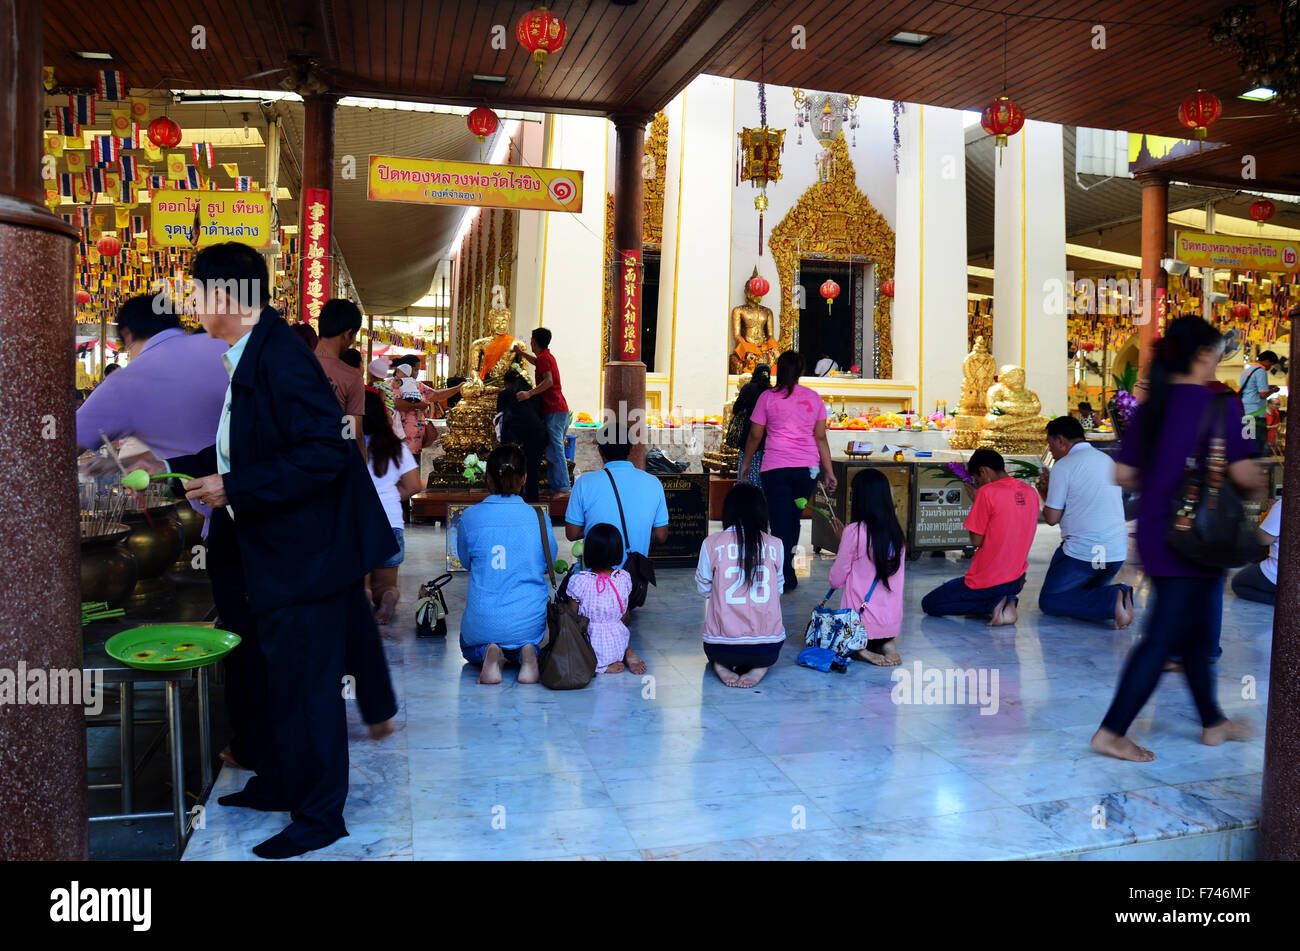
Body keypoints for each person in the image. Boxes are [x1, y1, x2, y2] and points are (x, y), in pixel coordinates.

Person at [126, 242, 397, 858]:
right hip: (279, 554)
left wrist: (236, 487)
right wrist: (161, 461)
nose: (189, 303)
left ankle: (321, 815)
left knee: (309, 687)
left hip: (307, 557)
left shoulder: (282, 360)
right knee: (282, 681)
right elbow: (240, 450)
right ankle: (280, 782)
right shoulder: (252, 355)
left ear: (226, 297)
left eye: (195, 292)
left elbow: (325, 452)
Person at [1092, 316, 1263, 763]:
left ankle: (1213, 722)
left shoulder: (1153, 406)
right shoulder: (1221, 404)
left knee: (1193, 631)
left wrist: (1169, 474)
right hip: (1200, 536)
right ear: (1203, 355)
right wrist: (1256, 478)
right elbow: (1243, 473)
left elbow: (1123, 473)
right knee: (1163, 636)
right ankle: (1112, 732)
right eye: (1217, 355)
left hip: (1157, 531)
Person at [76, 293, 228, 458]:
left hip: (187, 481)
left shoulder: (125, 382)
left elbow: (66, 441)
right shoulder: (228, 345)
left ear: (128, 335)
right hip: (249, 477)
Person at [457, 444, 557, 685]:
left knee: (467, 647)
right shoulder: (539, 517)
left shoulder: (470, 516)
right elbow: (549, 562)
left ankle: (489, 652)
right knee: (525, 638)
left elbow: (464, 561)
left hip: (483, 620)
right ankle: (527, 653)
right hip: (529, 621)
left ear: (488, 478)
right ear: (524, 478)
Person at [743, 350, 838, 590]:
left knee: (778, 519)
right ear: (802, 371)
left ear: (779, 370)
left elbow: (755, 435)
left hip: (775, 468)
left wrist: (745, 463)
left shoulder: (768, 397)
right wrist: (829, 471)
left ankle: (781, 571)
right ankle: (787, 570)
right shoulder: (814, 398)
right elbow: (820, 438)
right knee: (794, 519)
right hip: (806, 471)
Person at [921, 448, 1039, 626]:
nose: (978, 483)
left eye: (977, 479)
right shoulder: (1030, 492)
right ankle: (1007, 599)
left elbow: (976, 540)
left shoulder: (987, 492)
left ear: (983, 471)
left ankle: (993, 605)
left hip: (989, 579)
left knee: (930, 604)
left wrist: (978, 502)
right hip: (1016, 578)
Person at [1036, 415, 1134, 628]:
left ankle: (1112, 599)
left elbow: (1052, 518)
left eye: (1051, 444)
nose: (1051, 451)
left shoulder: (1064, 466)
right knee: (1082, 593)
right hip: (1115, 554)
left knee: (1050, 600)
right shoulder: (1106, 460)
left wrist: (1043, 490)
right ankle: (1115, 596)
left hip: (1086, 555)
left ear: (1061, 440)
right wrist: (1048, 490)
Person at [695, 483, 786, 687]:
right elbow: (777, 590)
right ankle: (760, 667)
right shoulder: (775, 544)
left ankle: (720, 665)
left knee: (715, 652)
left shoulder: (712, 543)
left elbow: (703, 588)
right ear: (762, 512)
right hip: (768, 648)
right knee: (765, 655)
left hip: (721, 647)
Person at [565, 428, 669, 579]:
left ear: (600, 451)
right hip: (634, 579)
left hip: (595, 580)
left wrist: (595, 524)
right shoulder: (653, 483)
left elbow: (572, 533)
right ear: (632, 448)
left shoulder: (584, 483)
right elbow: (661, 535)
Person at [828, 468, 907, 665]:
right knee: (885, 632)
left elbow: (836, 580)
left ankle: (859, 647)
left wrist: (843, 544)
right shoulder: (897, 533)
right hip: (890, 624)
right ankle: (888, 643)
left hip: (860, 624)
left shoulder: (854, 531)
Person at [362, 389, 422, 623]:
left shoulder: (349, 444)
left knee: (360, 581)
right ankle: (387, 597)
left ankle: (364, 595)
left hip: (359, 522)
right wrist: (390, 495)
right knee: (387, 585)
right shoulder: (396, 447)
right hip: (391, 522)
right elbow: (414, 485)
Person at [566, 523, 634, 674]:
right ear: (618, 551)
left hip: (592, 641)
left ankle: (602, 666)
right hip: (618, 638)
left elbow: (573, 617)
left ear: (588, 552)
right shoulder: (623, 578)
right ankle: (625, 652)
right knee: (617, 636)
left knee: (581, 660)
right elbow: (624, 613)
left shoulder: (580, 581)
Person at [511, 327, 570, 497]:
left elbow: (549, 381)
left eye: (531, 340)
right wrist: (521, 353)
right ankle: (557, 486)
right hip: (558, 410)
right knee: (553, 450)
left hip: (554, 410)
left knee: (557, 450)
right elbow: (537, 362)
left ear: (534, 342)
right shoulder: (545, 357)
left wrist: (529, 393)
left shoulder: (544, 358)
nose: (530, 342)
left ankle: (563, 488)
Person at [315, 299, 366, 459]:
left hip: (289, 468)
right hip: (330, 464)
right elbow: (353, 433)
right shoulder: (351, 377)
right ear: (347, 334)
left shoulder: (292, 365)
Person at [497, 368, 547, 503]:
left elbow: (501, 419)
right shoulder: (533, 393)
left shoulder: (504, 394)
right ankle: (533, 505)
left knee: (512, 471)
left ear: (507, 383)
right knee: (532, 473)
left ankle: (513, 502)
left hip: (516, 437)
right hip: (537, 436)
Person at [1230, 500, 1281, 606]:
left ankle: (1285, 601)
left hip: (1279, 572)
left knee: (1239, 584)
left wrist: (1270, 514)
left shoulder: (1284, 504)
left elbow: (1264, 540)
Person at [729, 363, 771, 487]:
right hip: (767, 440)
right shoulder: (771, 391)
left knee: (746, 476)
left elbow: (736, 409)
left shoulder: (748, 388)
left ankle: (747, 499)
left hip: (749, 436)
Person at [1238, 350, 1279, 452]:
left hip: (1245, 410)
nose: (1270, 367)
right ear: (1267, 361)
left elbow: (1251, 388)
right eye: (1271, 364)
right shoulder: (1261, 371)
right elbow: (1263, 394)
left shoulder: (1247, 370)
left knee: (1246, 440)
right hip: (1256, 412)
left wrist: (1267, 387)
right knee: (1257, 443)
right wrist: (1273, 390)